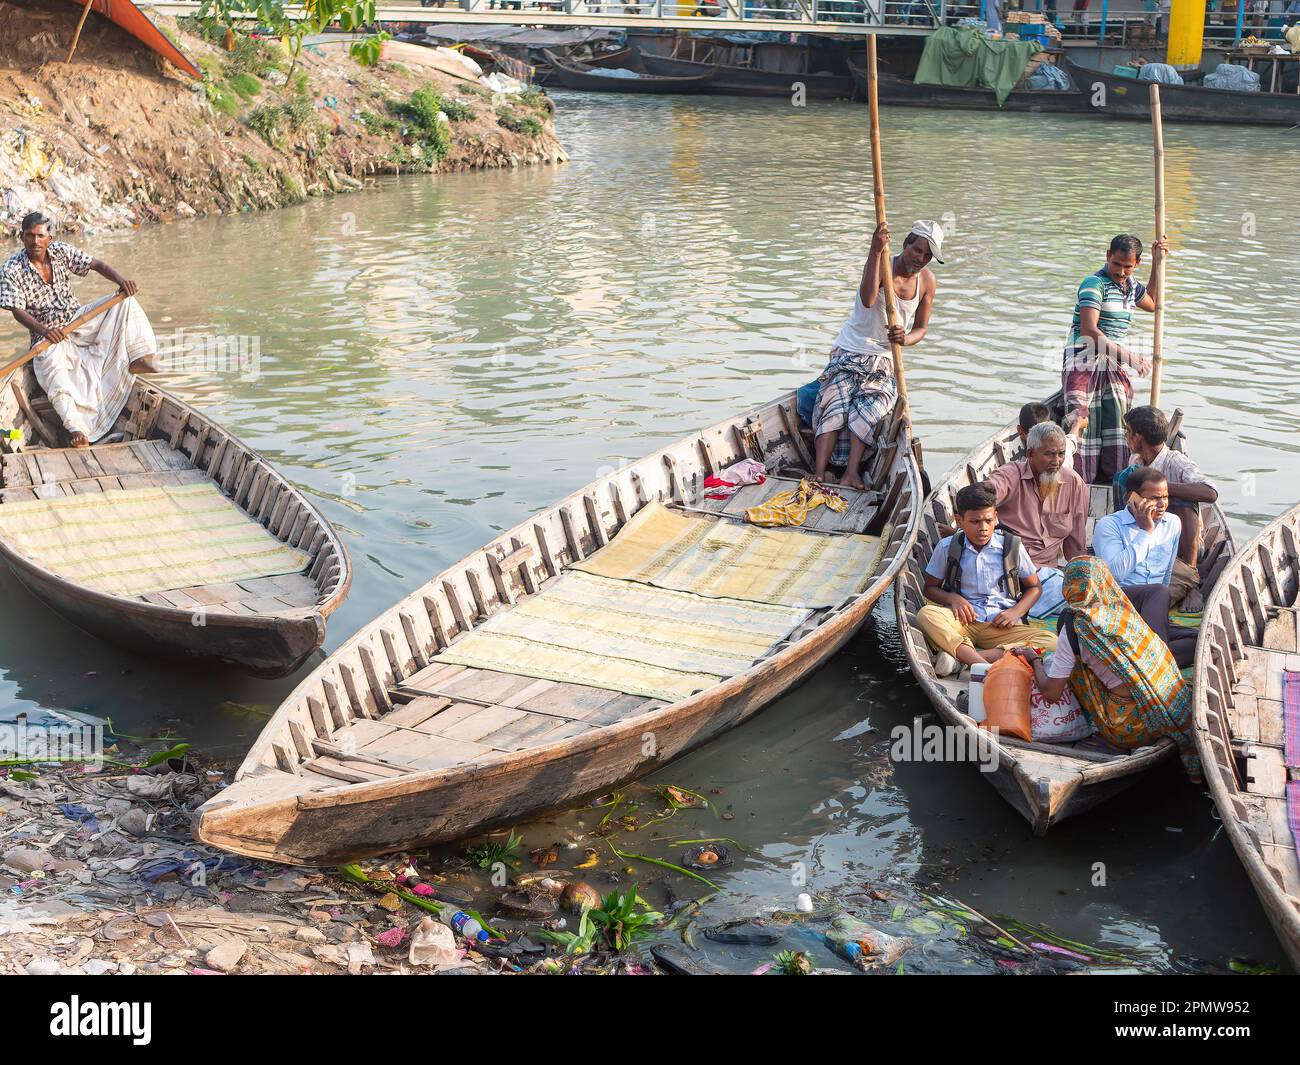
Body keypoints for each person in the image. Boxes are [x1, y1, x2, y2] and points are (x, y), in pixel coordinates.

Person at [1013, 557, 1201, 782]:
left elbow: (1052, 694)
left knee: (1071, 665)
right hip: (1168, 714)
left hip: (1128, 728)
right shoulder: (1125, 610)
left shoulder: (1076, 626)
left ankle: (1102, 733)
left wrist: (1035, 660)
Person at [796, 219, 941, 490]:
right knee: (833, 404)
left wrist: (905, 338)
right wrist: (875, 252)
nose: (920, 258)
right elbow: (867, 298)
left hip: (884, 361)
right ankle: (818, 472)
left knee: (868, 411)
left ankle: (851, 473)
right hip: (850, 351)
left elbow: (921, 328)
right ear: (905, 245)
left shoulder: (927, 282)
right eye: (917, 250)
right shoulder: (883, 262)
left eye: (927, 255)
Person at [0, 213, 157, 448]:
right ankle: (76, 429)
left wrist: (122, 282)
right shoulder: (11, 269)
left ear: (49, 238)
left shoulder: (61, 251)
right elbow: (17, 310)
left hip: (77, 321)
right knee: (54, 372)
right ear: (22, 237)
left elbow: (97, 265)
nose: (35, 241)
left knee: (124, 301)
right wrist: (45, 331)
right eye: (30, 236)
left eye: (40, 236)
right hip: (46, 336)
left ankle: (139, 357)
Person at [916, 482, 1057, 678]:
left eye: (988, 521)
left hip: (1002, 625)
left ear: (995, 517)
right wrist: (953, 599)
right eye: (974, 522)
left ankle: (963, 661)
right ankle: (986, 668)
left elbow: (1034, 587)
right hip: (964, 621)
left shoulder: (1012, 546)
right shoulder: (947, 547)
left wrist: (1015, 612)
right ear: (959, 520)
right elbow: (930, 589)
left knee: (1052, 641)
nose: (983, 528)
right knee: (926, 615)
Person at [1062, 233, 1169, 486]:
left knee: (1118, 420)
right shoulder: (1094, 283)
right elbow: (1089, 330)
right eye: (1117, 264)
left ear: (1136, 264)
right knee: (1081, 418)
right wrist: (1130, 357)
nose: (1121, 271)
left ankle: (1112, 481)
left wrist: (1158, 261)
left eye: (1128, 266)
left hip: (1111, 362)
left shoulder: (1131, 287)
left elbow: (1152, 303)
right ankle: (1077, 482)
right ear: (1108, 256)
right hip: (1082, 360)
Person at [1115, 404, 1217, 608]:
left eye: (1128, 432)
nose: (1126, 437)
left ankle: (1191, 578)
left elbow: (1210, 492)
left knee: (1184, 501)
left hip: (1176, 544)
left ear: (1138, 437)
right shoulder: (1135, 459)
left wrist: (1161, 489)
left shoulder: (1175, 461)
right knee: (1122, 480)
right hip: (1144, 534)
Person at [986, 420, 1088, 618]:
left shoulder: (1074, 483)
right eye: (1049, 454)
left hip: (1047, 575)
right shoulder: (1010, 475)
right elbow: (983, 496)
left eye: (1061, 454)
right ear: (1030, 454)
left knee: (1087, 590)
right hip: (1007, 573)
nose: (1056, 461)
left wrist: (1081, 577)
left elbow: (1076, 547)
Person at [1014, 400, 1086, 469]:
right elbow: (1072, 438)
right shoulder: (1065, 445)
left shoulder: (1023, 466)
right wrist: (1078, 424)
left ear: (1020, 431)